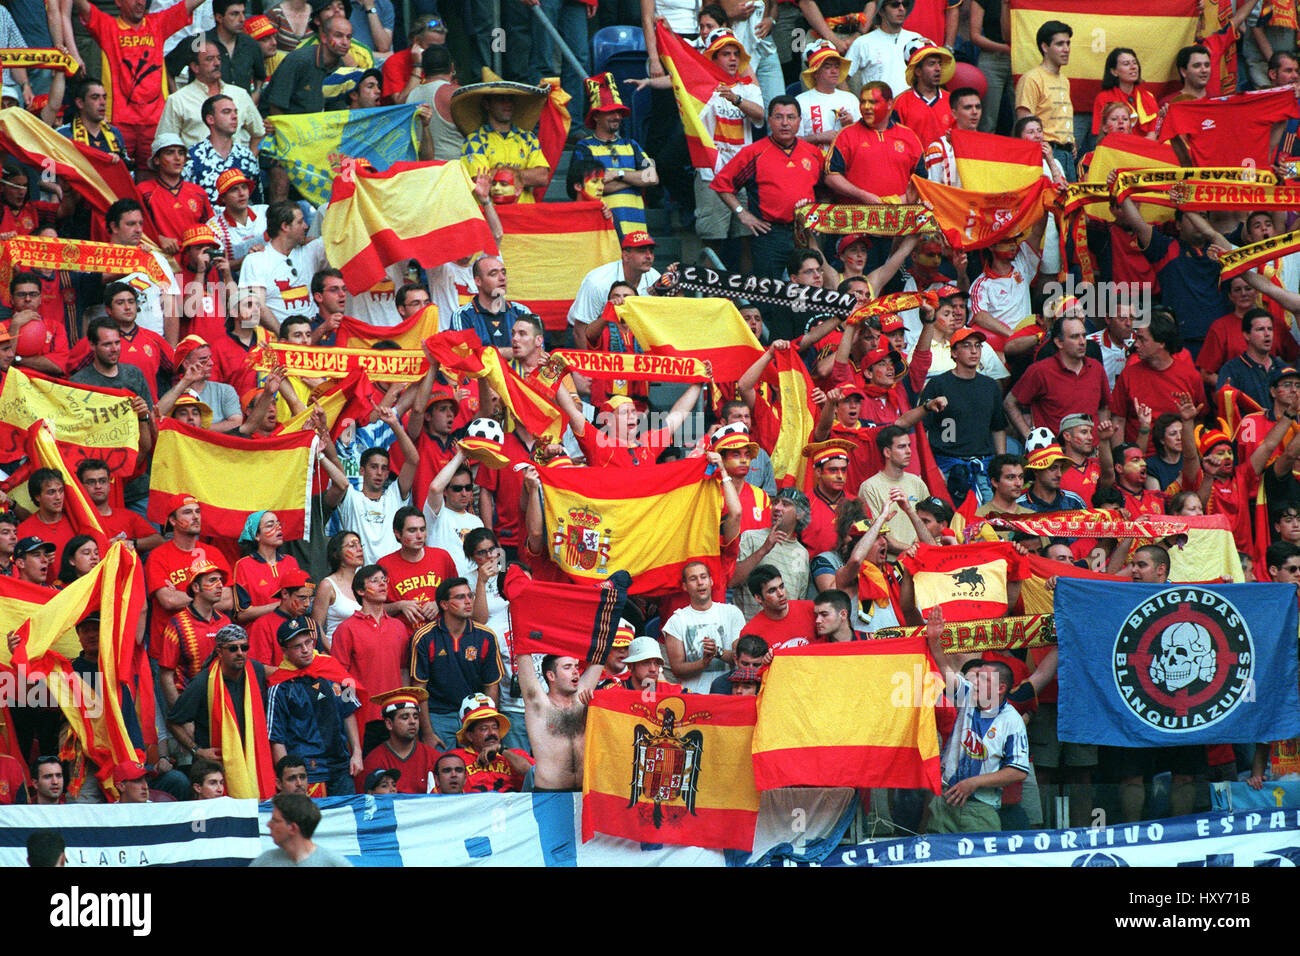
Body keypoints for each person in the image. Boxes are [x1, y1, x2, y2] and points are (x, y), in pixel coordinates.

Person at [64, 0, 206, 171]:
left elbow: (189, 5)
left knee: (153, 178)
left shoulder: (158, 24)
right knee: (118, 176)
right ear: (118, 2)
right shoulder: (107, 27)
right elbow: (83, 6)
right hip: (119, 121)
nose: (140, 2)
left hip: (156, 121)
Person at [925, 606, 1030, 833]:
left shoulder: (1011, 721)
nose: (974, 682)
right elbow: (944, 668)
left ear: (1000, 688)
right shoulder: (967, 697)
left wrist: (973, 783)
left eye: (983, 679)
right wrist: (934, 640)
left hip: (980, 810)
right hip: (944, 803)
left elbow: (1018, 770)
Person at [712, 95, 825, 283]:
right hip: (770, 234)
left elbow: (825, 189)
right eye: (779, 117)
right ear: (769, 120)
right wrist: (742, 213)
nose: (785, 123)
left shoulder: (813, 153)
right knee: (769, 289)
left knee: (808, 291)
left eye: (791, 117)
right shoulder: (754, 152)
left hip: (805, 232)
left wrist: (821, 214)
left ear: (799, 121)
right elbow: (721, 184)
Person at [267, 620, 364, 794]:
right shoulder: (278, 687)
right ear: (284, 651)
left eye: (308, 642)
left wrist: (356, 752)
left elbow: (348, 712)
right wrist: (288, 778)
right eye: (297, 646)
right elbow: (276, 738)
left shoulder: (332, 669)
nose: (305, 650)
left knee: (345, 820)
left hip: (341, 767)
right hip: (307, 774)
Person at [167, 624, 272, 781]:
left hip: (251, 759)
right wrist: (197, 750)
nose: (240, 653)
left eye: (244, 647)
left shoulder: (256, 670)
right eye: (233, 648)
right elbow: (173, 722)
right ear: (219, 652)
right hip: (214, 768)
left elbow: (282, 673)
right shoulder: (202, 682)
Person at [410, 578, 503, 749]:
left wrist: (487, 726)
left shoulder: (486, 636)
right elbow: (419, 689)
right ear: (444, 605)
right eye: (460, 597)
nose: (468, 602)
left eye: (470, 596)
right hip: (438, 716)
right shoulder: (424, 637)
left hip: (474, 715)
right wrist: (428, 733)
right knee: (445, 773)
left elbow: (491, 686)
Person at [920, 327, 1008, 504]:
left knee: (988, 524)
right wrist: (933, 468)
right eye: (967, 346)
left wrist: (1001, 464)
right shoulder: (938, 384)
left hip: (983, 467)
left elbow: (998, 428)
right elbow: (922, 429)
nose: (974, 351)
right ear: (953, 352)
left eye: (978, 346)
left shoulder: (990, 386)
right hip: (947, 466)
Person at [319, 415, 420, 563]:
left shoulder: (394, 495)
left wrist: (394, 424)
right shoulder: (351, 498)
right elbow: (335, 459)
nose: (379, 472)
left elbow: (413, 460)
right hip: (360, 578)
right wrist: (322, 428)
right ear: (362, 470)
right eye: (374, 467)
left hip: (392, 578)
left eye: (384, 468)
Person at [572, 72, 657, 238]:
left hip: (636, 233)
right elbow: (590, 189)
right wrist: (636, 182)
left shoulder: (631, 145)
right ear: (596, 116)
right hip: (603, 230)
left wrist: (619, 174)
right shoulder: (584, 147)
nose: (617, 116)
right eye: (610, 112)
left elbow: (653, 177)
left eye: (619, 112)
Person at [1108, 310, 1207, 452]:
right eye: (1136, 339)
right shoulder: (1128, 375)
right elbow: (1118, 420)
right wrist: (1121, 459)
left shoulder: (1190, 376)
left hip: (1179, 458)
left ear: (1161, 342)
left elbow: (1199, 419)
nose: (1136, 344)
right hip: (1139, 460)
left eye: (1142, 339)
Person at [331, 563, 411, 735]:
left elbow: (404, 670)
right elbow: (339, 678)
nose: (382, 584)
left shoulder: (399, 626)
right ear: (360, 591)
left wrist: (406, 705)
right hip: (364, 717)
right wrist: (350, 712)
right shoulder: (347, 628)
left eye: (384, 580)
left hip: (397, 715)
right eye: (374, 581)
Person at [1007, 316, 1111, 438]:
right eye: (1074, 337)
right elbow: (1010, 403)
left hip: (1091, 452)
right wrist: (1030, 438)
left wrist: (1100, 435)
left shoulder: (1096, 368)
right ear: (1059, 342)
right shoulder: (1041, 371)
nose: (1082, 341)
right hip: (1055, 452)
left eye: (1083, 335)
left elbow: (1104, 406)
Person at [452, 81, 551, 203]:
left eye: (510, 99)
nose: (507, 104)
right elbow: (479, 180)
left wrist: (499, 173)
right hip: (490, 215)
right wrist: (522, 175)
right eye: (501, 99)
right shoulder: (475, 140)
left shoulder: (528, 138)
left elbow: (542, 177)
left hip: (525, 214)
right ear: (486, 104)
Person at [825, 81, 924, 204]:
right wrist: (861, 194)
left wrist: (903, 199)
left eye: (873, 102)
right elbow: (831, 176)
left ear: (889, 104)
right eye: (863, 102)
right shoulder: (846, 135)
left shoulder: (909, 136)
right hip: (856, 217)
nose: (866, 107)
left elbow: (922, 179)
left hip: (899, 216)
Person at [157, 42, 264, 149]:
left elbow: (259, 133)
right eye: (209, 59)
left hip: (235, 164)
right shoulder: (178, 100)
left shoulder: (239, 94)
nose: (217, 63)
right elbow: (164, 142)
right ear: (195, 67)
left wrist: (250, 160)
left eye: (219, 58)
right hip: (194, 163)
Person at [238, 202, 327, 328]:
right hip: (279, 339)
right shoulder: (255, 260)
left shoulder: (311, 251)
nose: (306, 227)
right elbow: (257, 307)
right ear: (285, 226)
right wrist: (283, 337)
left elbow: (338, 238)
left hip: (314, 334)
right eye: (300, 222)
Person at [156, 561, 232, 709]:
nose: (220, 585)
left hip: (222, 704)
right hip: (192, 705)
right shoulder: (177, 624)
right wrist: (180, 714)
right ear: (196, 587)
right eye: (212, 580)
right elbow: (166, 675)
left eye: (220, 580)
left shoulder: (225, 622)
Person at [662, 561, 745, 693]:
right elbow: (677, 669)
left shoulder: (732, 613)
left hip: (728, 695)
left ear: (711, 581)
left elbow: (741, 657)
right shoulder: (676, 621)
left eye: (703, 577)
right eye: (693, 579)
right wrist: (703, 663)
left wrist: (718, 652)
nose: (700, 582)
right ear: (685, 586)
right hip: (693, 696)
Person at [568, 232, 661, 349]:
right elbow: (580, 331)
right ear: (626, 256)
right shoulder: (598, 282)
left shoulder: (654, 276)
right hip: (587, 337)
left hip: (631, 336)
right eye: (642, 251)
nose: (649, 256)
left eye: (651, 251)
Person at [733, 489, 811, 618]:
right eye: (775, 503)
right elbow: (733, 580)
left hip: (783, 631)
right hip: (750, 629)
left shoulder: (802, 553)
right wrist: (764, 549)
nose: (777, 508)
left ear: (800, 514)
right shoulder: (750, 537)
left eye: (785, 504)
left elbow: (798, 599)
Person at [379, 506, 457, 633]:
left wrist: (439, 604)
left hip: (442, 636)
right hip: (404, 640)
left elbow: (460, 596)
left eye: (422, 529)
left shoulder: (442, 557)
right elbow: (373, 609)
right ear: (397, 533)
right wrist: (400, 605)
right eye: (412, 530)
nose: (419, 535)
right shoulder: (384, 565)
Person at [1015, 19, 1074, 180]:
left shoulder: (1065, 80)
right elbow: (1024, 127)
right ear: (1045, 47)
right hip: (1045, 155)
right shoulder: (1031, 79)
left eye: (1068, 43)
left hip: (1067, 155)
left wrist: (1071, 141)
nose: (1066, 49)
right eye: (1060, 44)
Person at [183, 93, 264, 210]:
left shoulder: (247, 156)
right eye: (226, 112)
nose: (234, 116)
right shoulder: (192, 157)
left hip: (242, 226)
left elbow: (257, 203)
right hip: (206, 226)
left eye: (235, 112)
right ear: (210, 119)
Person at [858, 426, 932, 546]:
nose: (909, 451)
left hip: (919, 560)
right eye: (902, 447)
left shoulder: (917, 482)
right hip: (888, 561)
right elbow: (876, 534)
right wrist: (910, 550)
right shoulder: (869, 487)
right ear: (887, 452)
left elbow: (930, 524)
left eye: (909, 445)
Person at [356, 687, 440, 793]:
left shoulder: (433, 757)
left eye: (415, 717)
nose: (412, 721)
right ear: (389, 724)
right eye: (405, 717)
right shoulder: (373, 761)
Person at [448, 693, 534, 792]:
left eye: (495, 727)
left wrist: (501, 750)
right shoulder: (456, 758)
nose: (492, 732)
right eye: (484, 729)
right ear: (469, 736)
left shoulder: (516, 755)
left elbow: (529, 773)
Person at [233, 510, 305, 625]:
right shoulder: (244, 565)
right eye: (270, 525)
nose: (278, 528)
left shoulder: (291, 562)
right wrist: (280, 606)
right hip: (260, 633)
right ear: (256, 535)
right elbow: (241, 615)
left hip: (291, 631)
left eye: (279, 524)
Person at [844, 0, 926, 99]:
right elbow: (841, 78)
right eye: (895, 5)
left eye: (905, 4)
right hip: (877, 111)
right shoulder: (863, 42)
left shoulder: (917, 39)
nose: (901, 9)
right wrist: (853, 104)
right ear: (881, 11)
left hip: (911, 109)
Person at [253, 792, 352, 866]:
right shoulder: (265, 861)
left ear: (293, 828)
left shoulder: (333, 863)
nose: (268, 824)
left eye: (275, 820)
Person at [1217, 309, 1288, 410]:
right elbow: (1222, 405)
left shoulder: (1283, 369)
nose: (1267, 334)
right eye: (1260, 329)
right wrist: (1224, 395)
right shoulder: (1232, 369)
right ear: (1247, 335)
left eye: (1270, 329)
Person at [246, 568, 318, 666]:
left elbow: (320, 659)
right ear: (285, 594)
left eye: (310, 598)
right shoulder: (263, 624)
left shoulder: (311, 623)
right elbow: (259, 668)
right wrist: (294, 675)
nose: (307, 604)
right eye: (302, 597)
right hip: (278, 680)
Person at [893, 44, 956, 151]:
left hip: (946, 164)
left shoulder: (952, 100)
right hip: (915, 165)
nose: (938, 69)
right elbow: (894, 140)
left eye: (939, 64)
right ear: (918, 71)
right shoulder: (901, 102)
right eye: (932, 64)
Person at [795, 41, 859, 147]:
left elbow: (864, 138)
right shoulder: (800, 101)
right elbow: (790, 141)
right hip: (812, 161)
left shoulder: (851, 99)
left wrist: (851, 126)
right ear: (815, 73)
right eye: (827, 67)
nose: (834, 71)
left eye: (837, 66)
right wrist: (818, 137)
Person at [740, 565, 818, 651]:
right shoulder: (751, 633)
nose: (781, 593)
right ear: (758, 598)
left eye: (781, 586)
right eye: (772, 591)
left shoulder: (812, 609)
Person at [56, 78, 128, 165]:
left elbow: (127, 172)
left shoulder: (115, 133)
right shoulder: (63, 134)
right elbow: (48, 175)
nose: (103, 102)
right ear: (80, 103)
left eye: (104, 97)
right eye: (95, 97)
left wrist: (118, 162)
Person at [312, 530, 364, 645]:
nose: (359, 549)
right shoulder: (328, 585)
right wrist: (333, 653)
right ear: (336, 554)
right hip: (336, 651)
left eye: (360, 545)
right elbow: (316, 626)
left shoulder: (365, 582)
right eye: (352, 546)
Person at [1093, 47, 1159, 138]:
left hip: (1145, 147)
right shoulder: (1104, 98)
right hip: (1116, 148)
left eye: (1135, 63)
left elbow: (1154, 130)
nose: (1133, 67)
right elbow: (1100, 134)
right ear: (1114, 71)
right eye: (1126, 64)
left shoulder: (1148, 96)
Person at [1017, 444, 1088, 513]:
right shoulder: (1019, 506)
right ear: (1036, 470)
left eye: (1061, 468)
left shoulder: (1074, 502)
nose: (1059, 474)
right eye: (1053, 468)